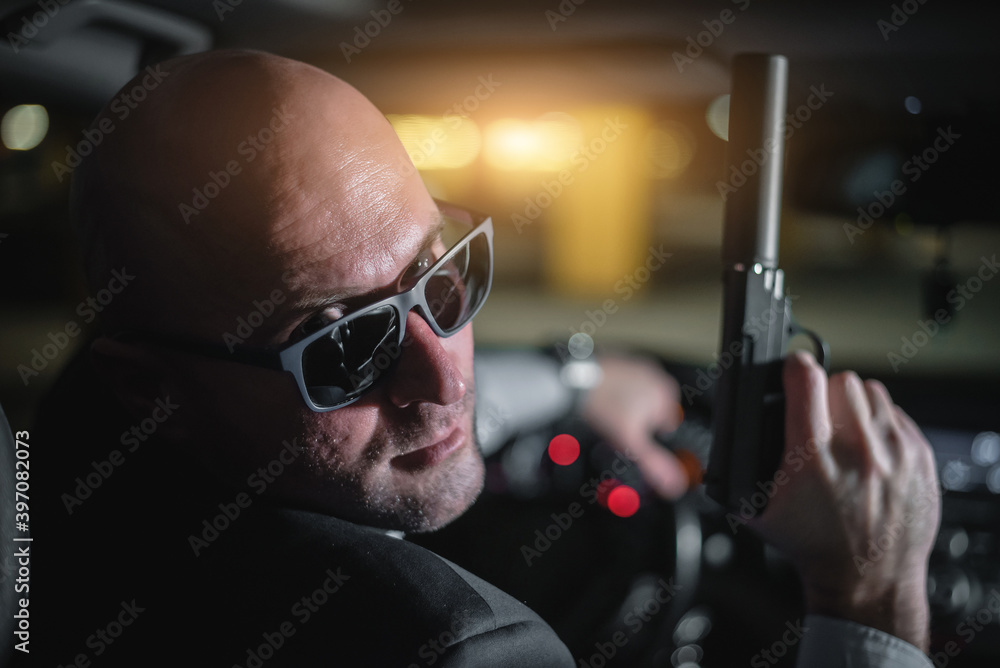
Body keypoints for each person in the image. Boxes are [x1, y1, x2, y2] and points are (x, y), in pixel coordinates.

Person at [34, 49, 939, 667]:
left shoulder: (69, 459)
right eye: (347, 343)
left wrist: (576, 377)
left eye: (442, 276)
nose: (447, 379)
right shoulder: (453, 645)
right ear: (151, 386)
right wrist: (868, 597)